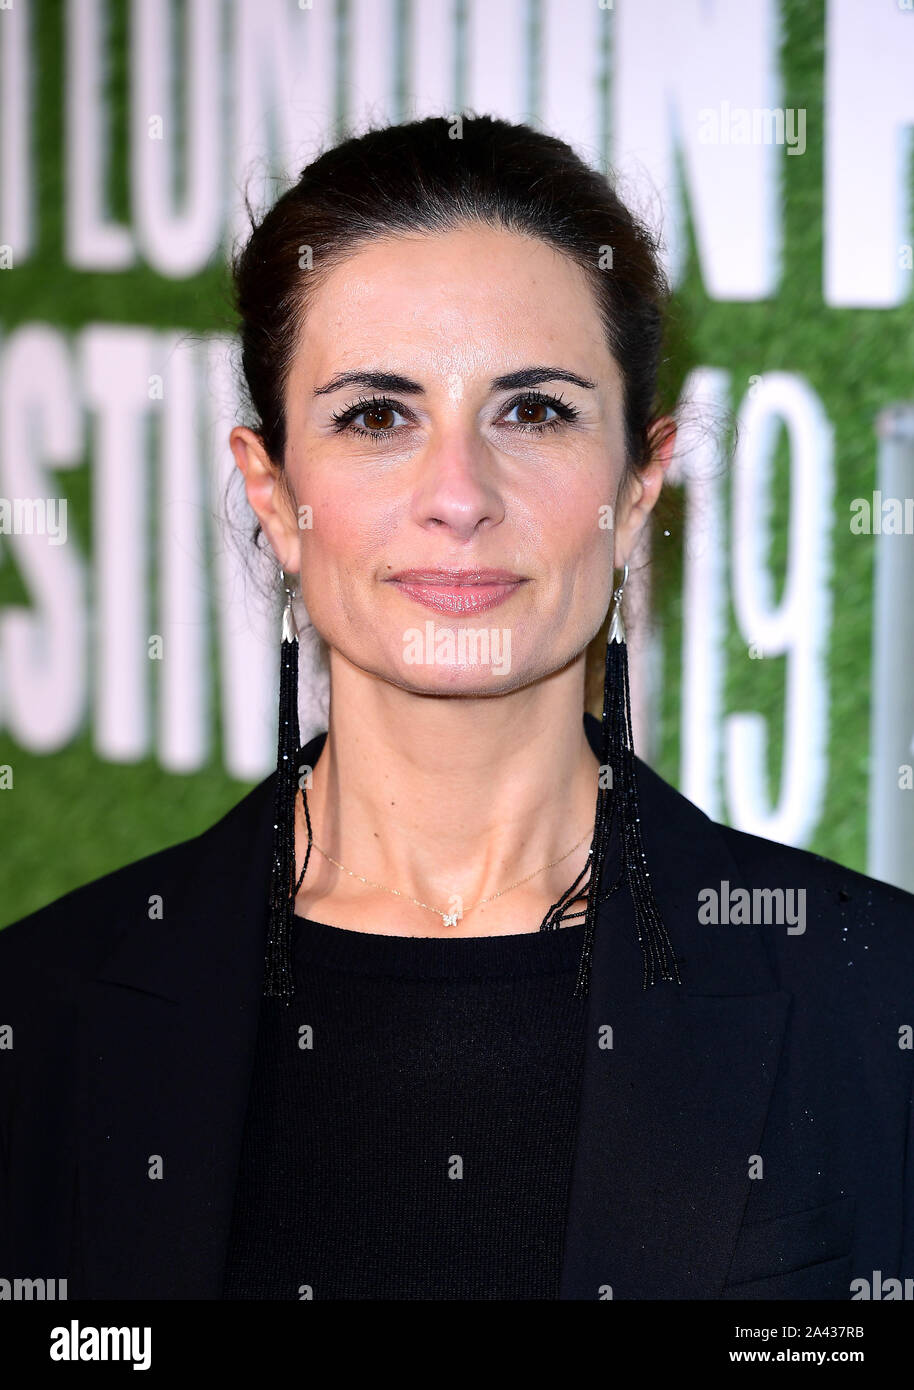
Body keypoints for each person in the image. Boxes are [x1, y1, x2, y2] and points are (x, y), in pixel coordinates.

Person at [1, 114, 912, 1303]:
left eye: (531, 411)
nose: (457, 495)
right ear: (272, 493)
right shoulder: (46, 1013)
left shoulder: (869, 1000)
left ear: (636, 488)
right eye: (375, 415)